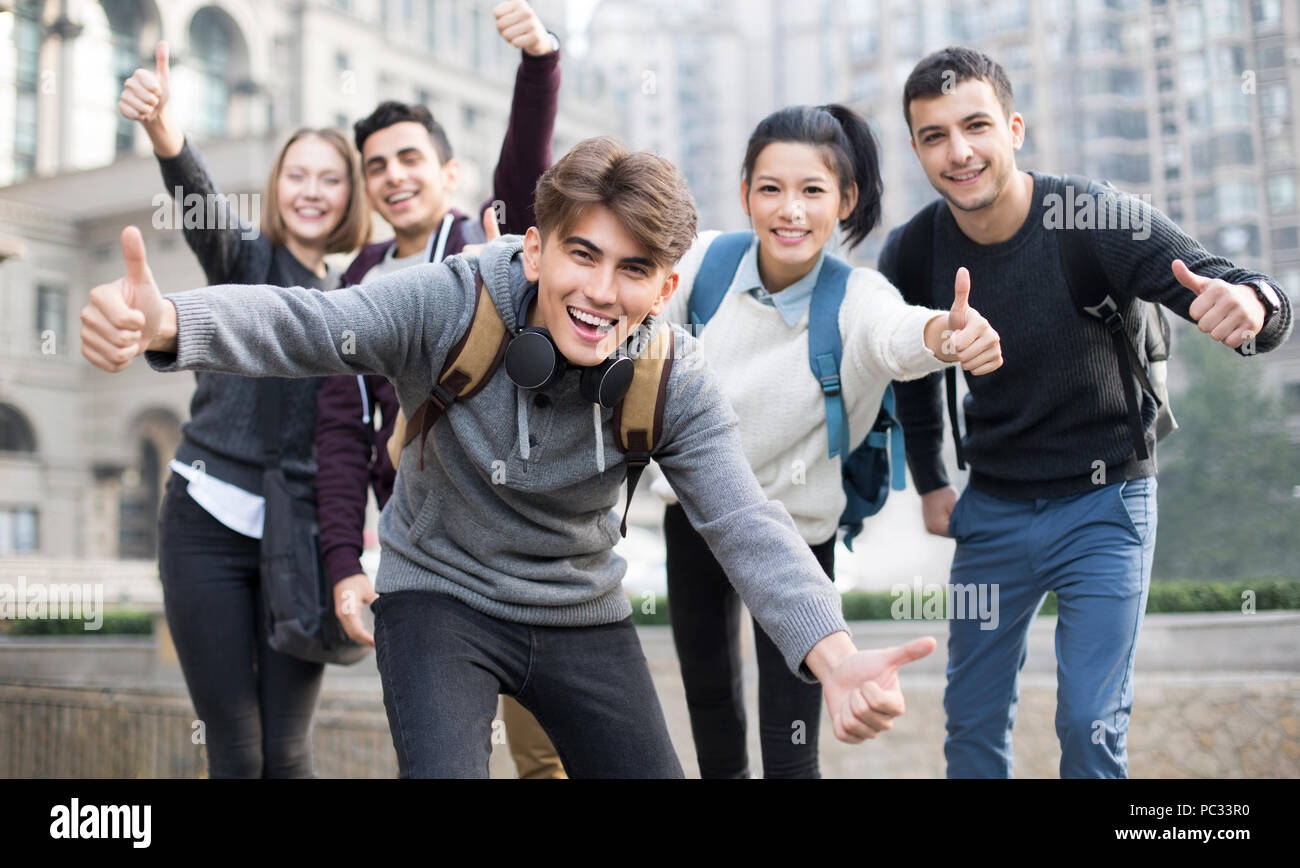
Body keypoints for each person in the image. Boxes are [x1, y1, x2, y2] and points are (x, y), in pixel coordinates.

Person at [81, 136, 939, 779]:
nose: (602, 291)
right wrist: (169, 325)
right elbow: (312, 326)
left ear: (665, 288)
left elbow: (744, 520)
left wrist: (832, 650)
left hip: (579, 608)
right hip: (438, 596)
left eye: (634, 269)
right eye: (582, 254)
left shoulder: (673, 376)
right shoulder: (454, 303)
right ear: (535, 249)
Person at [876, 46, 1294, 779]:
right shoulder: (912, 253)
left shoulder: (1089, 216)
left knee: (1089, 724)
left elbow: (1232, 282)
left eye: (976, 125)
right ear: (916, 149)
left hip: (1107, 505)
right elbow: (909, 377)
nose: (959, 151)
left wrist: (1257, 306)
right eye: (934, 135)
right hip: (993, 513)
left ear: (1014, 128)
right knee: (970, 724)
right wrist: (931, 480)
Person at [657, 104, 1003, 778]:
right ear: (744, 195)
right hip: (695, 520)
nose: (790, 210)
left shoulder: (858, 297)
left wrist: (945, 336)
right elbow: (636, 318)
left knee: (792, 741)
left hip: (797, 535)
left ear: (844, 200)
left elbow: (898, 336)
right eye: (771, 189)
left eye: (813, 191)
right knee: (709, 702)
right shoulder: (703, 265)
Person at [313, 0, 566, 778]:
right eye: (376, 164)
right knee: (439, 761)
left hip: (525, 538)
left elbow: (527, 177)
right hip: (425, 555)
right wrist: (345, 565)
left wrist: (538, 65)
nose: (393, 175)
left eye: (410, 158)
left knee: (544, 759)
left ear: (447, 172)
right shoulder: (355, 286)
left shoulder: (490, 243)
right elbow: (341, 434)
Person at [112, 41, 371, 777]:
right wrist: (168, 134)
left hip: (302, 534)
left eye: (330, 179)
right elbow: (204, 213)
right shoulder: (248, 262)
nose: (312, 191)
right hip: (205, 522)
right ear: (277, 185)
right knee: (233, 744)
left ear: (350, 197)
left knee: (288, 750)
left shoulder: (360, 300)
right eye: (297, 176)